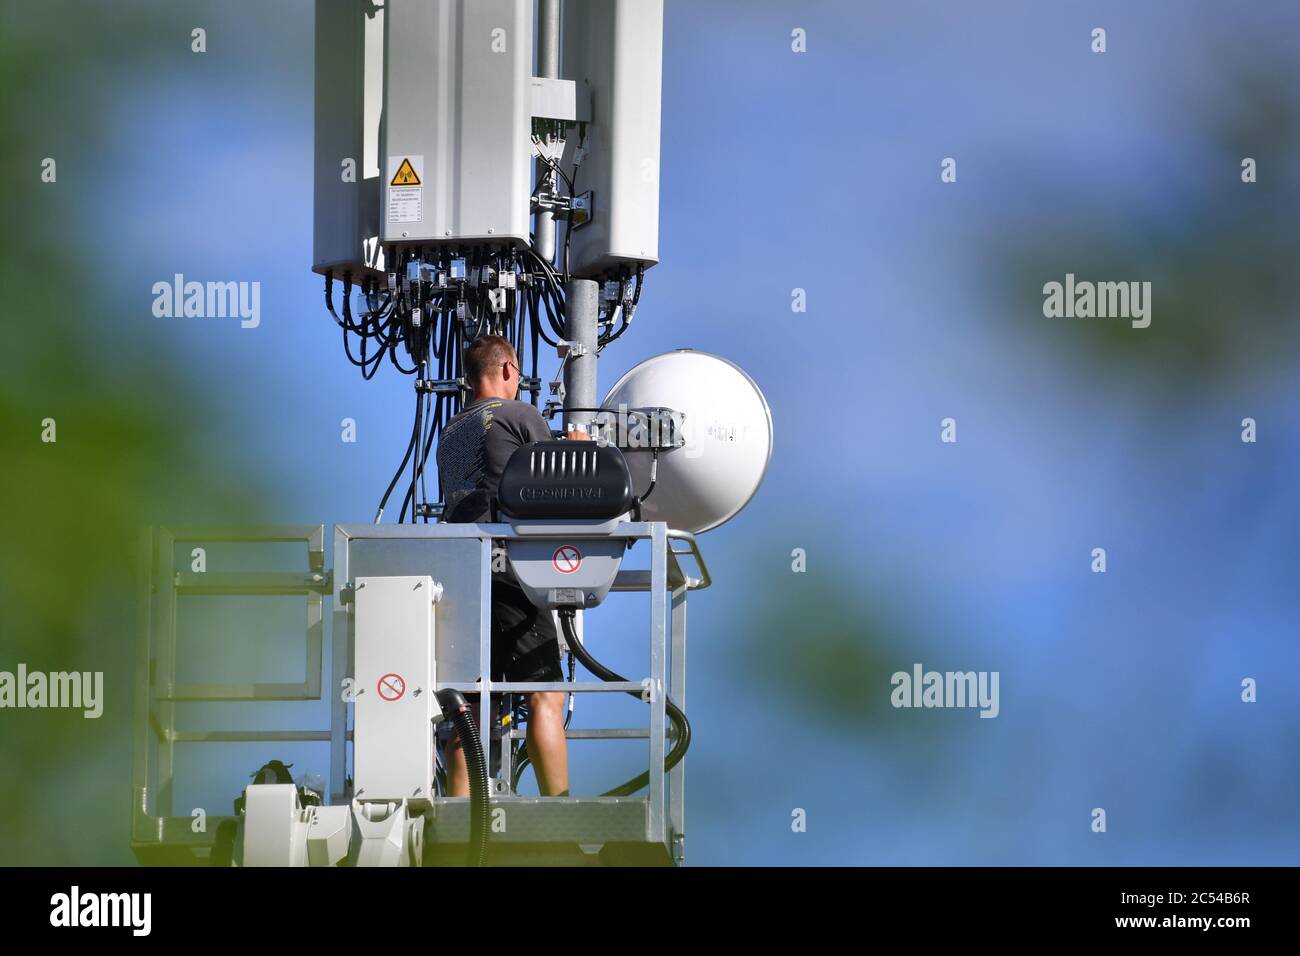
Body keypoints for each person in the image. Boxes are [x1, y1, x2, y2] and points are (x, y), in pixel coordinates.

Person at [436, 333, 582, 797]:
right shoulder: (519, 415)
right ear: (506, 370)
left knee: (470, 702)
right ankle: (559, 807)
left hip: (457, 568)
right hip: (507, 566)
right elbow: (555, 484)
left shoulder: (451, 431)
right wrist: (577, 448)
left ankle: (460, 809)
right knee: (545, 694)